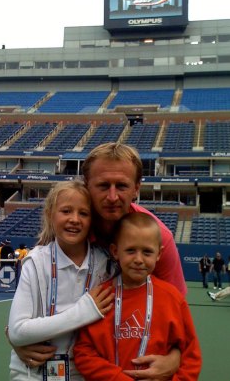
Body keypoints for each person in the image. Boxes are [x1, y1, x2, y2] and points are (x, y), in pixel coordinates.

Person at [10, 143, 187, 379]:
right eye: (103, 185)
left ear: (136, 188)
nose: (112, 196)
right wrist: (16, 337)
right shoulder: (74, 224)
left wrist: (174, 357)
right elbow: (36, 298)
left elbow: (177, 314)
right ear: (87, 186)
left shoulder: (157, 237)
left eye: (122, 186)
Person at [74, 213, 202, 380]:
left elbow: (190, 355)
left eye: (147, 252)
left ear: (159, 254)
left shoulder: (173, 299)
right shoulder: (101, 297)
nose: (139, 259)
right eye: (130, 250)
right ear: (115, 251)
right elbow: (83, 353)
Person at [8, 180, 115, 380]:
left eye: (83, 213)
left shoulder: (105, 265)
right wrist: (85, 311)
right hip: (31, 372)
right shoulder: (36, 261)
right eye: (66, 211)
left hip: (84, 373)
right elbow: (17, 331)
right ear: (50, 214)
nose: (75, 219)